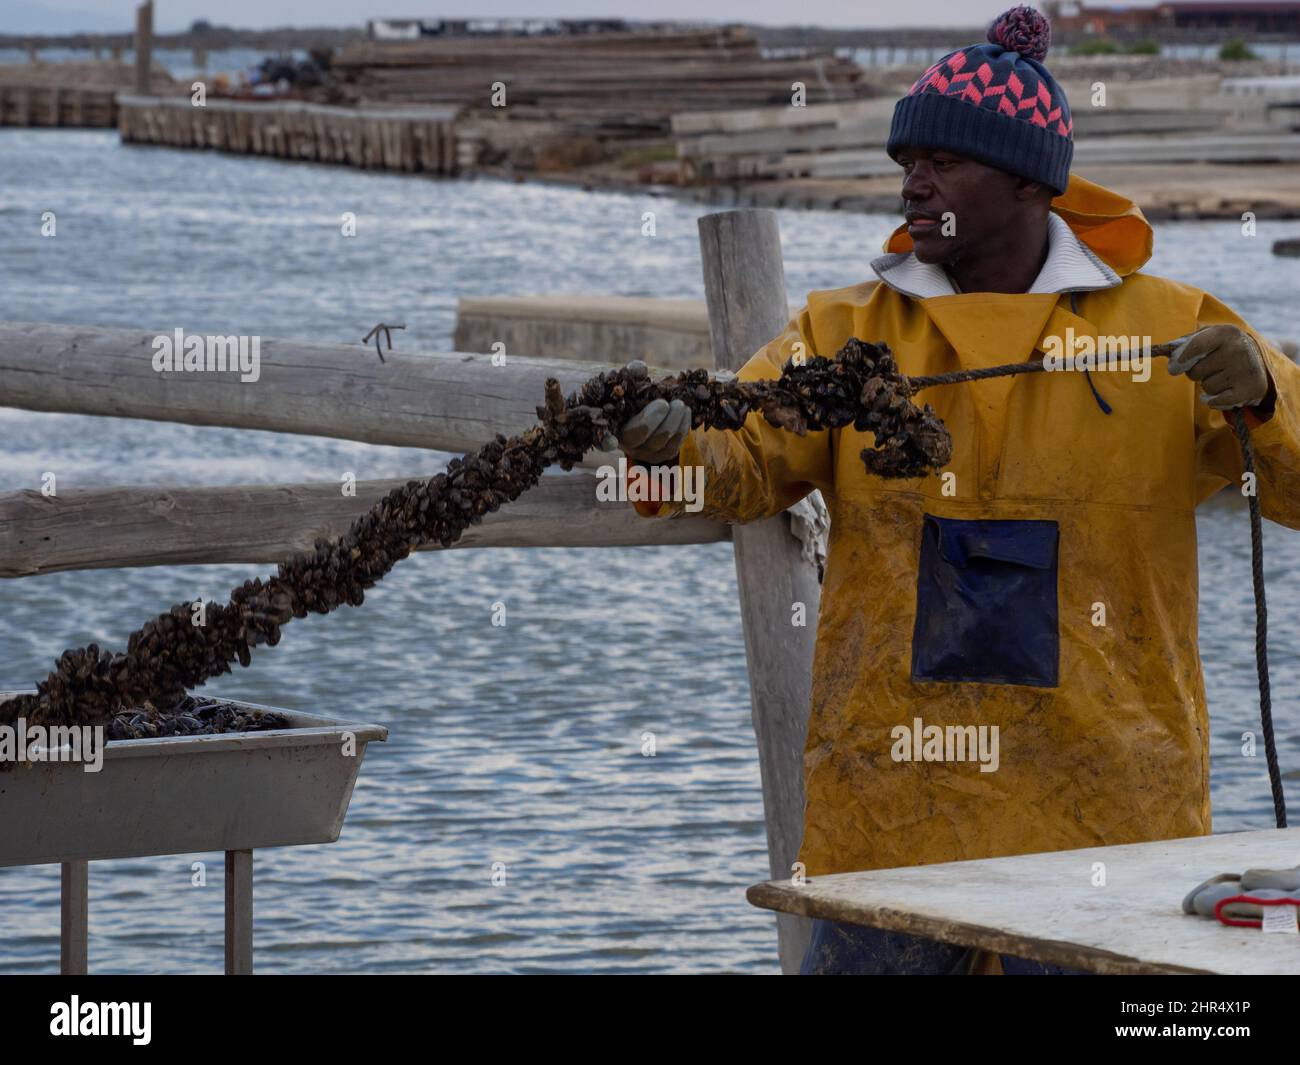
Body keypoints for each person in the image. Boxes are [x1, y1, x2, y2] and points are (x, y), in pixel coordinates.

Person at [611, 6, 1300, 975]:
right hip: (889, 816)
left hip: (1109, 821)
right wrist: (661, 444)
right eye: (908, 158)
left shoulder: (1176, 327)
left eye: (945, 161)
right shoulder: (839, 331)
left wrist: (1265, 394)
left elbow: (1293, 489)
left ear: (1029, 180)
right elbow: (745, 462)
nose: (913, 181)